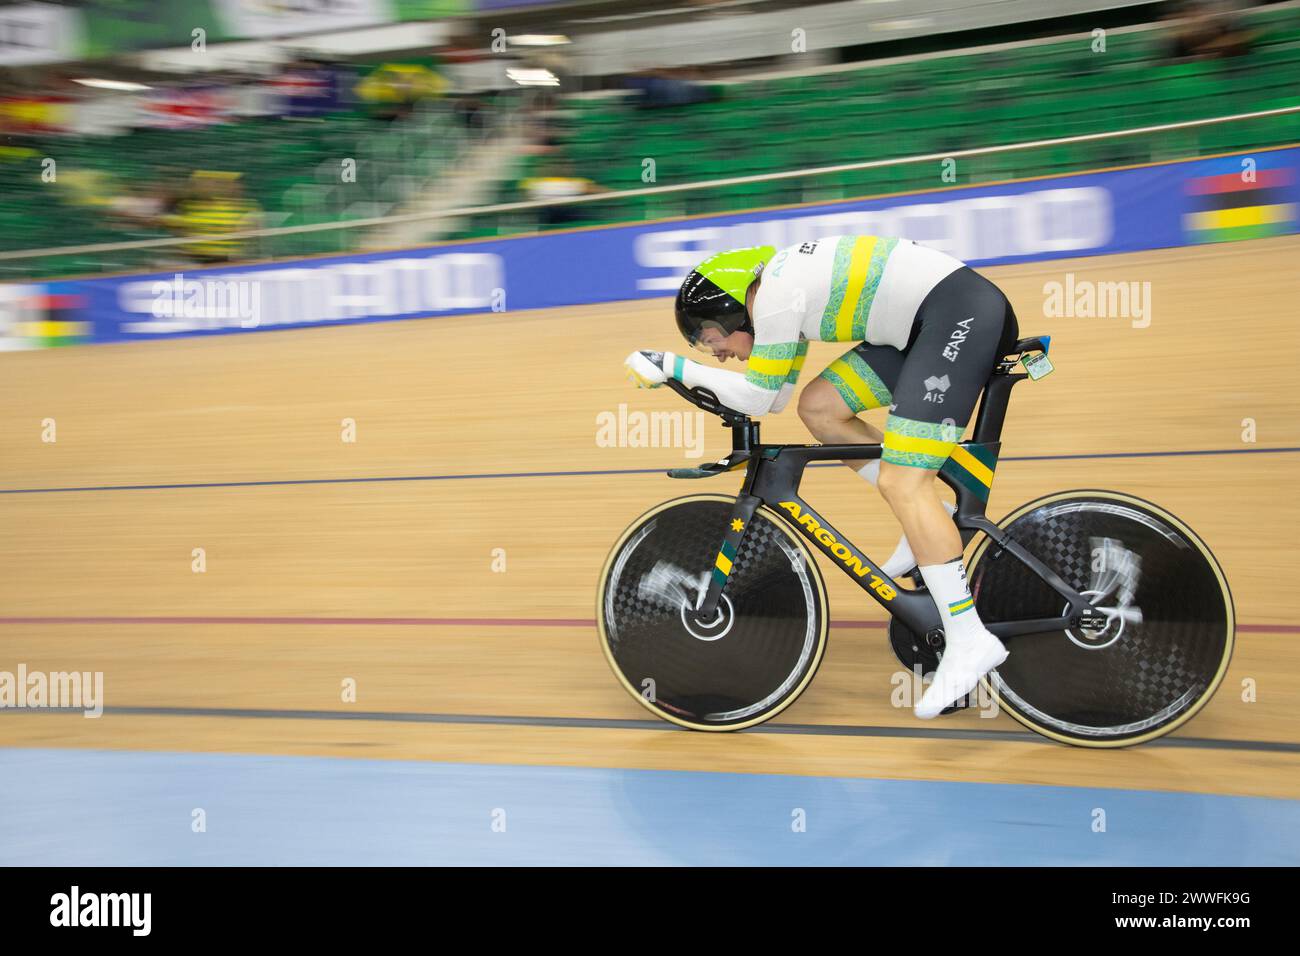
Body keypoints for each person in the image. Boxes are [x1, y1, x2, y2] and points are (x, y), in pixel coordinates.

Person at [624, 237, 1019, 719]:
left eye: (709, 339)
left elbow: (751, 398)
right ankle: (931, 522)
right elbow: (774, 400)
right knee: (822, 407)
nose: (717, 353)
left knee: (903, 482)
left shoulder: (771, 299)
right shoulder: (776, 298)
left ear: (731, 311)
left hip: (957, 317)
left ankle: (968, 639)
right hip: (931, 324)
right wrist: (683, 372)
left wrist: (672, 365)